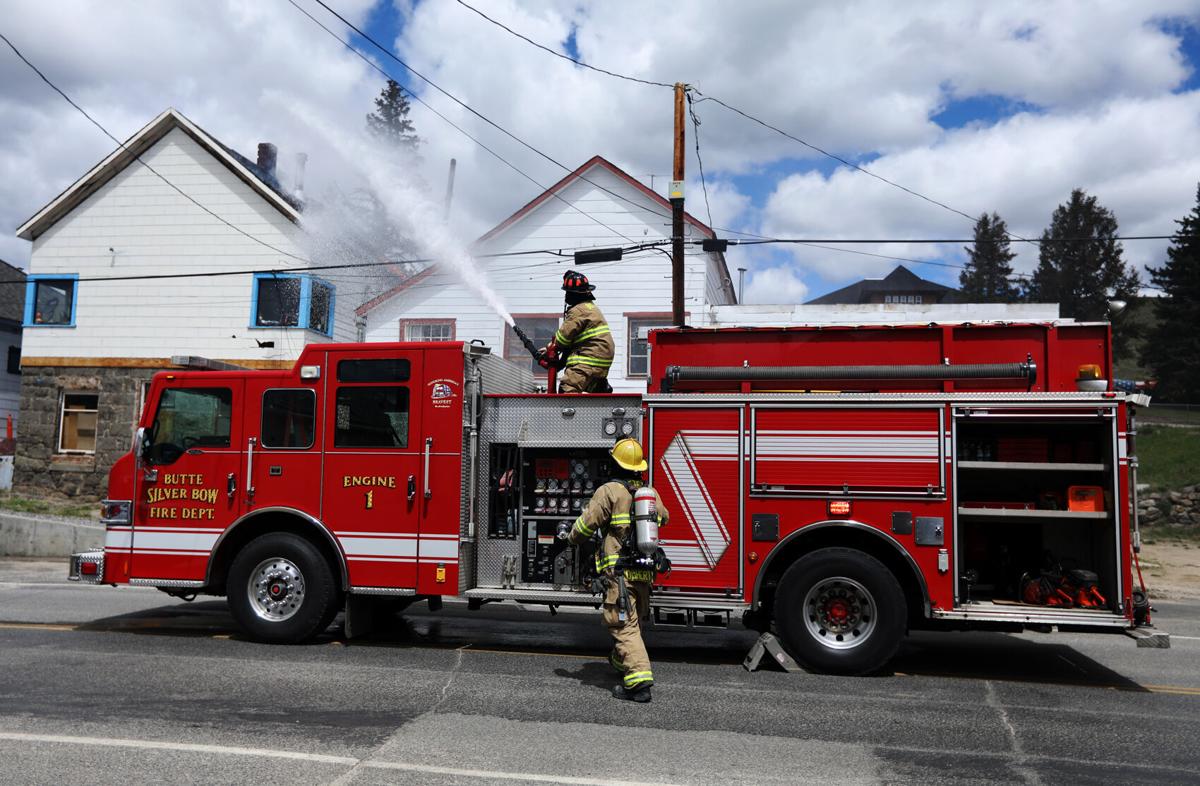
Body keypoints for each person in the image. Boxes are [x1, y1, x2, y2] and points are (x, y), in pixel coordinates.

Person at [565, 438, 669, 702]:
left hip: (619, 572)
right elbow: (664, 518)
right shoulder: (649, 492)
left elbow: (587, 525)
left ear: (615, 462)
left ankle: (639, 683)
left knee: (622, 624)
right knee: (634, 622)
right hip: (644, 571)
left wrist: (570, 537)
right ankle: (622, 662)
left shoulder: (609, 490)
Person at [539, 270, 614, 393]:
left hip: (588, 359)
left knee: (567, 389)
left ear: (575, 294)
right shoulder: (591, 307)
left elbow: (563, 338)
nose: (567, 296)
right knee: (589, 385)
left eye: (568, 292)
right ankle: (599, 387)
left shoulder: (578, 310)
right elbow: (570, 343)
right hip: (600, 360)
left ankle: (569, 411)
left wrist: (549, 348)